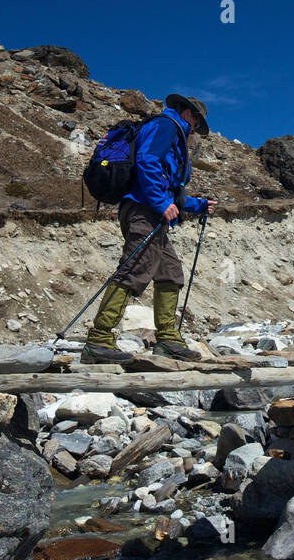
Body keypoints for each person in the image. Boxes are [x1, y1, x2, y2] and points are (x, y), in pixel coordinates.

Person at [83, 93, 217, 362]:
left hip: (151, 213)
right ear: (188, 113)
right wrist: (159, 202)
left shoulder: (171, 131)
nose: (194, 131)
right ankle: (98, 339)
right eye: (196, 123)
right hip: (144, 212)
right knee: (134, 270)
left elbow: (171, 191)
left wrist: (199, 205)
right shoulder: (167, 125)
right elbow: (147, 161)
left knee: (170, 273)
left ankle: (167, 339)